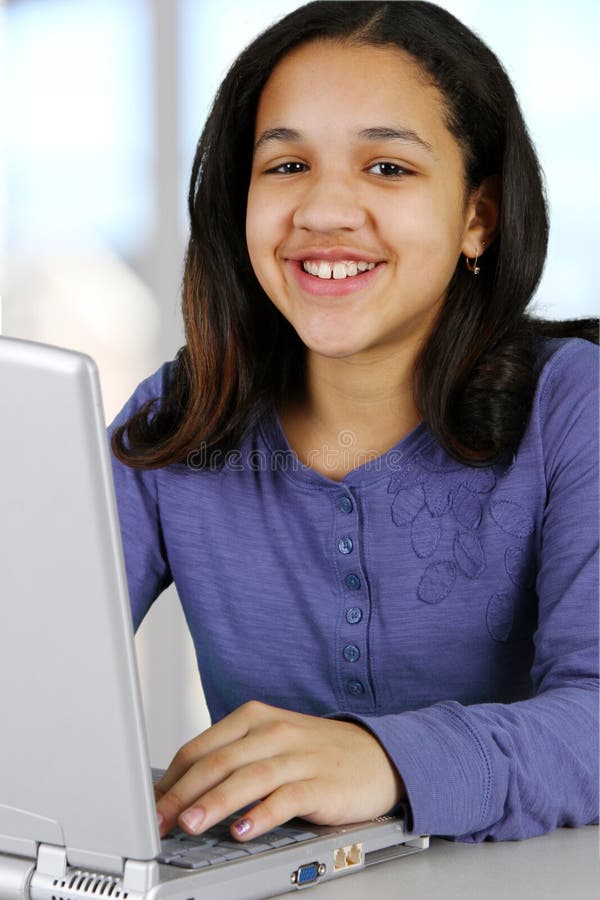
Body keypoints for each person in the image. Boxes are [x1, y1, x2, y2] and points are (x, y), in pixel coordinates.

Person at [109, 1, 599, 845]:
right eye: (288, 164)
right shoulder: (177, 420)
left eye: (388, 168)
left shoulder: (575, 406)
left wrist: (383, 759)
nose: (324, 211)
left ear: (478, 215)